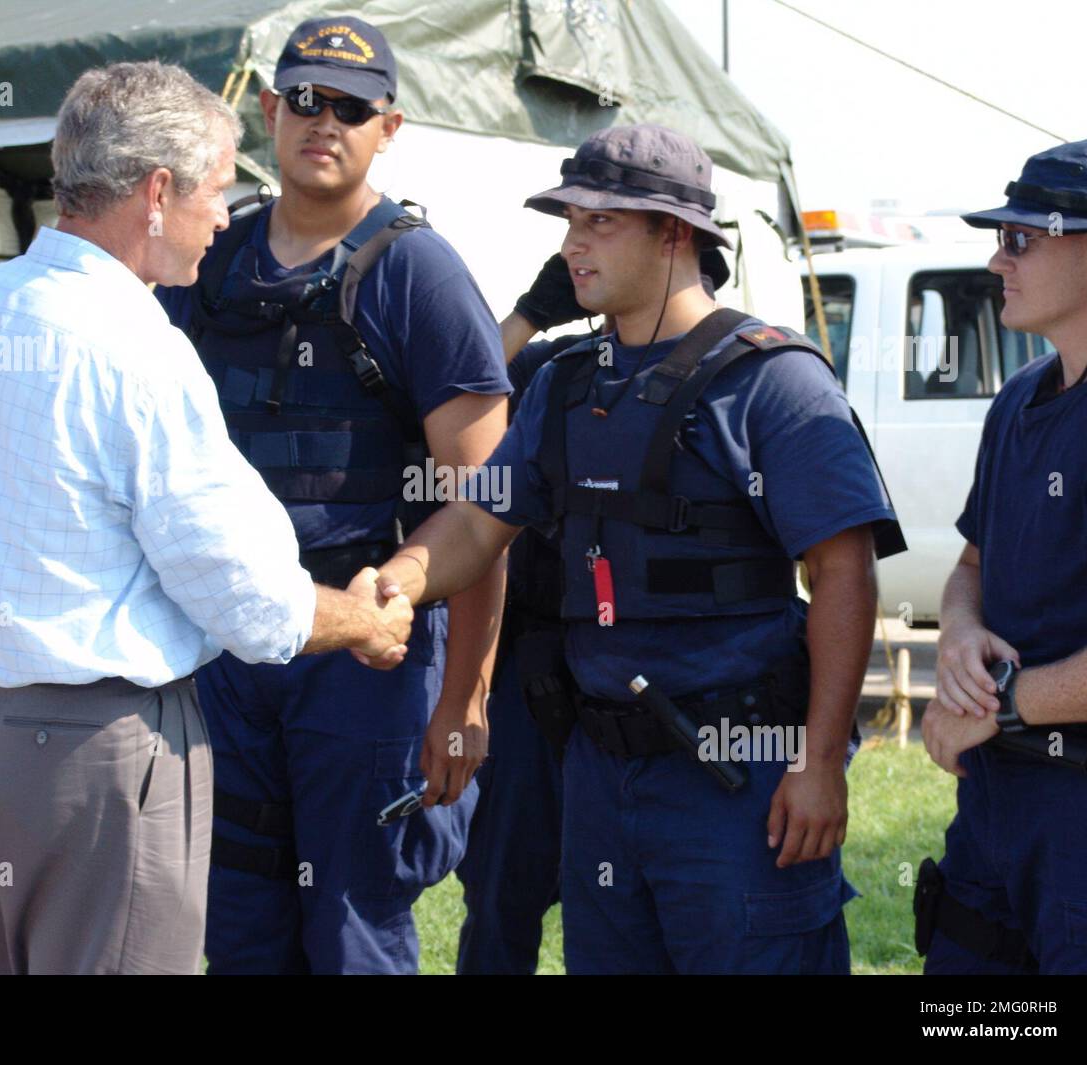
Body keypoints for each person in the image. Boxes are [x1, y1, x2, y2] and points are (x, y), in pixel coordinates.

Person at [0, 61, 413, 976]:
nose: (224, 217)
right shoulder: (135, 350)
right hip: (101, 755)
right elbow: (248, 600)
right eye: (215, 190)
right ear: (157, 193)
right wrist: (369, 619)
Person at [368, 124, 906, 974]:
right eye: (569, 221)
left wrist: (819, 762)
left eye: (601, 222)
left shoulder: (776, 382)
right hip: (600, 779)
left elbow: (842, 571)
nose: (573, 243)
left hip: (740, 776)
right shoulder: (568, 384)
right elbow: (478, 522)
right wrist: (397, 581)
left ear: (676, 235)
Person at [158, 16, 511, 975]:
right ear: (270, 110)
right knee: (232, 918)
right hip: (228, 642)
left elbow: (488, 509)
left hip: (365, 651)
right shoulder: (207, 262)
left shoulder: (418, 274)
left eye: (352, 108)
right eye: (306, 100)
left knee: (353, 926)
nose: (325, 122)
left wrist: (466, 696)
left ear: (388, 128)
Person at [454, 248, 732, 973]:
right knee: (500, 890)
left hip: (641, 684)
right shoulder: (561, 372)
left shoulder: (734, 379)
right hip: (534, 667)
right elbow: (469, 381)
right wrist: (531, 313)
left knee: (630, 906)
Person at [917, 138, 1087, 976]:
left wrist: (1006, 701)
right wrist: (958, 641)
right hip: (994, 807)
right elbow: (971, 568)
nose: (998, 258)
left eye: (1023, 238)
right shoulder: (1018, 401)